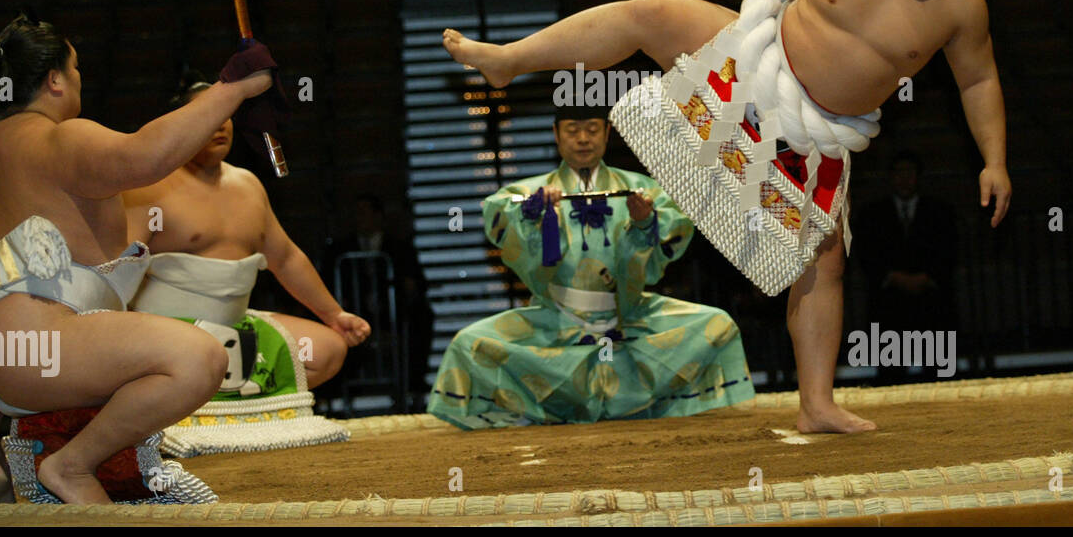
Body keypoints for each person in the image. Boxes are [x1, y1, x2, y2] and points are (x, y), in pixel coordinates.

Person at [442, 0, 1011, 433]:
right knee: (651, 15)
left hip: (818, 135)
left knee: (823, 260)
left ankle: (816, 404)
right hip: (750, 62)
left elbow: (978, 81)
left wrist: (994, 160)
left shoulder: (960, 5)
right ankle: (509, 59)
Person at [0, 13, 273, 503]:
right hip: (39, 355)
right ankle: (72, 466)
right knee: (199, 357)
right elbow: (146, 157)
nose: (79, 78)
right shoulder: (62, 137)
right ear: (56, 79)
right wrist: (232, 89)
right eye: (76, 68)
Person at [427, 106, 754, 429]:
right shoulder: (526, 194)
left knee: (716, 325)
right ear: (556, 135)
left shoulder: (644, 190)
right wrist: (531, 216)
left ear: (607, 133)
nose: (583, 138)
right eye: (572, 130)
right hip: (555, 317)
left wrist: (644, 223)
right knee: (469, 344)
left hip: (628, 315)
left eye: (593, 130)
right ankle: (539, 411)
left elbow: (653, 256)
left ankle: (641, 406)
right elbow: (505, 226)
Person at [123, 79, 371, 395]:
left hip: (235, 327)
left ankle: (233, 407)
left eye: (224, 114)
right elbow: (120, 263)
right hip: (166, 331)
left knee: (325, 350)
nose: (219, 125)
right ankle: (176, 405)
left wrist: (334, 314)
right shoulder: (149, 187)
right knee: (195, 353)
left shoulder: (248, 185)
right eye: (206, 115)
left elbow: (285, 258)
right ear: (181, 124)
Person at [853, 150, 959, 376]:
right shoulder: (872, 214)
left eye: (909, 173)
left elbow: (949, 250)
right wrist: (893, 277)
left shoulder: (940, 211)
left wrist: (927, 278)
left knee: (938, 368)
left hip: (931, 296)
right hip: (888, 299)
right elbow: (866, 253)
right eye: (899, 173)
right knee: (891, 370)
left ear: (918, 176)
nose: (904, 179)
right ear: (890, 177)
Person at [324, 193, 434, 400]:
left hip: (393, 313)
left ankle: (413, 381)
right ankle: (334, 388)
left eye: (366, 212)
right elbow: (326, 285)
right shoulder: (338, 250)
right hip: (350, 313)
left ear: (379, 216)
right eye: (357, 213)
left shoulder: (401, 248)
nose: (361, 218)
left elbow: (415, 284)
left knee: (422, 316)